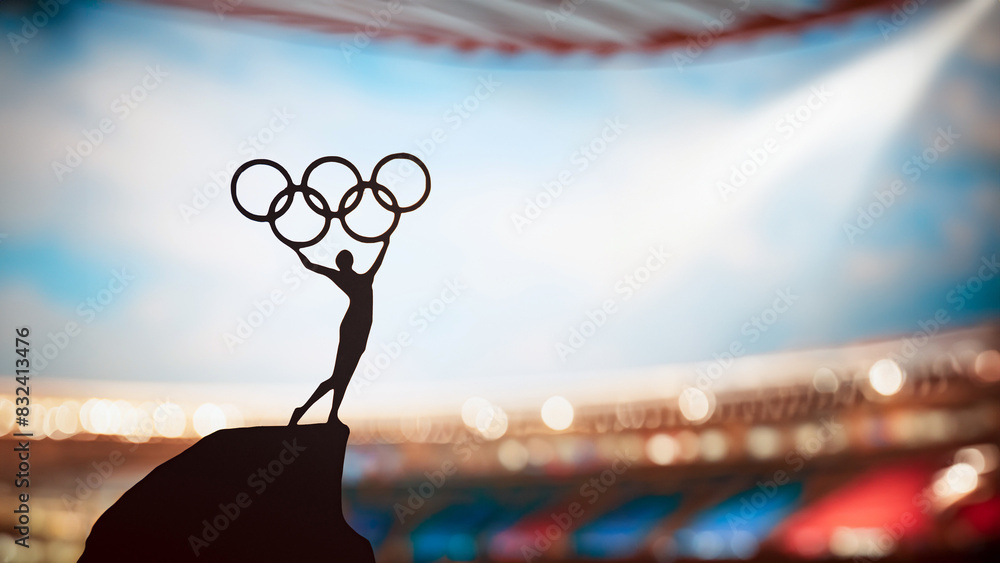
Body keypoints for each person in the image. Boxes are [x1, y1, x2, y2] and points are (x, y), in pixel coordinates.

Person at [288, 241, 389, 425]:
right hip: (353, 329)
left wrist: (297, 250)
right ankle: (305, 410)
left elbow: (310, 265)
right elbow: (311, 266)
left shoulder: (353, 278)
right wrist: (385, 242)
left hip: (359, 330)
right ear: (349, 262)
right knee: (338, 376)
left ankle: (332, 415)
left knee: (344, 376)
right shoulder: (361, 278)